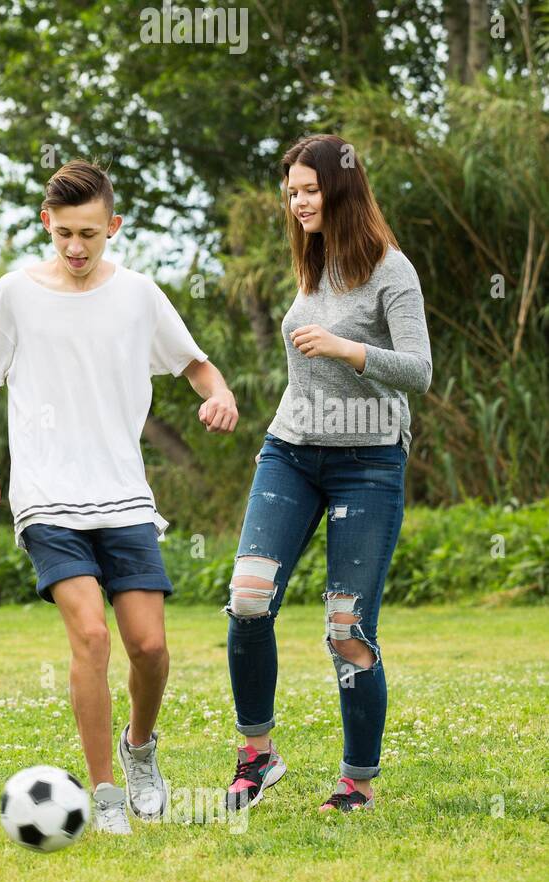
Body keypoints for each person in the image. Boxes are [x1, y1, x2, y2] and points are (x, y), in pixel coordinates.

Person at [0, 159, 238, 835]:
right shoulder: (15, 294)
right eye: (65, 235)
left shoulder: (139, 295)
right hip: (47, 496)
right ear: (45, 224)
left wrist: (219, 393)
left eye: (90, 233)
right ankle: (107, 793)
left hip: (123, 496)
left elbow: (195, 363)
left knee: (148, 646)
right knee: (91, 635)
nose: (77, 248)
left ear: (113, 226)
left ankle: (138, 749)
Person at [224, 133, 431, 814]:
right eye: (292, 191)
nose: (298, 201)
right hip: (292, 450)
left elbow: (419, 370)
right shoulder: (312, 262)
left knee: (347, 626)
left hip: (368, 461)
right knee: (250, 597)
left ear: (340, 188)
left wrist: (347, 348)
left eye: (308, 190)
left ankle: (358, 783)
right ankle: (257, 752)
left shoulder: (390, 270)